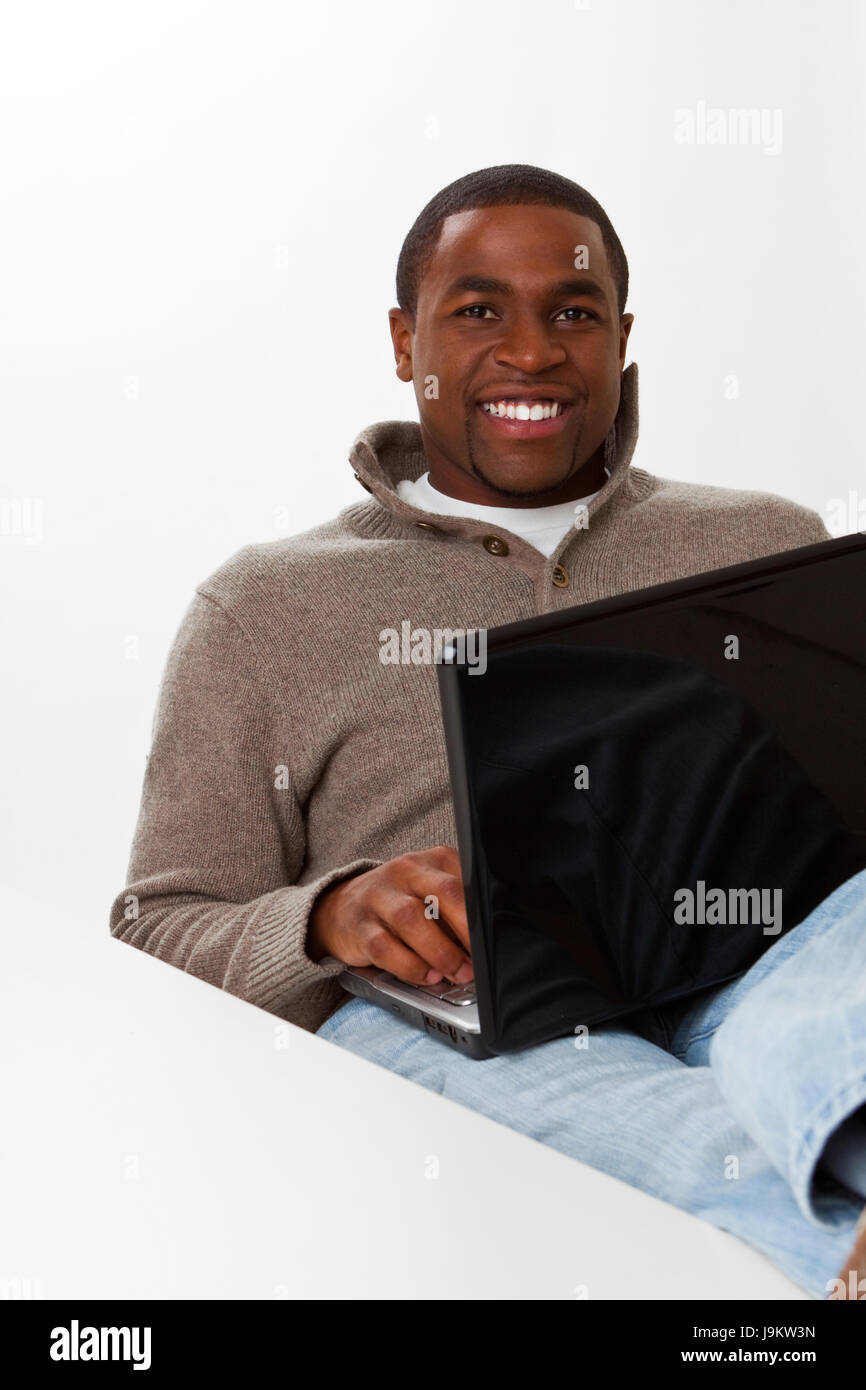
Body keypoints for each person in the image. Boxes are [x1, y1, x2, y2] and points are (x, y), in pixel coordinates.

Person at [110, 164, 866, 1298]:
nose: (529, 351)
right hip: (469, 1013)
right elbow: (158, 920)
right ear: (404, 338)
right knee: (653, 1117)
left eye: (571, 312)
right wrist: (327, 913)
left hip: (750, 950)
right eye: (476, 312)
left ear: (619, 337)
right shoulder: (262, 604)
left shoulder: (764, 536)